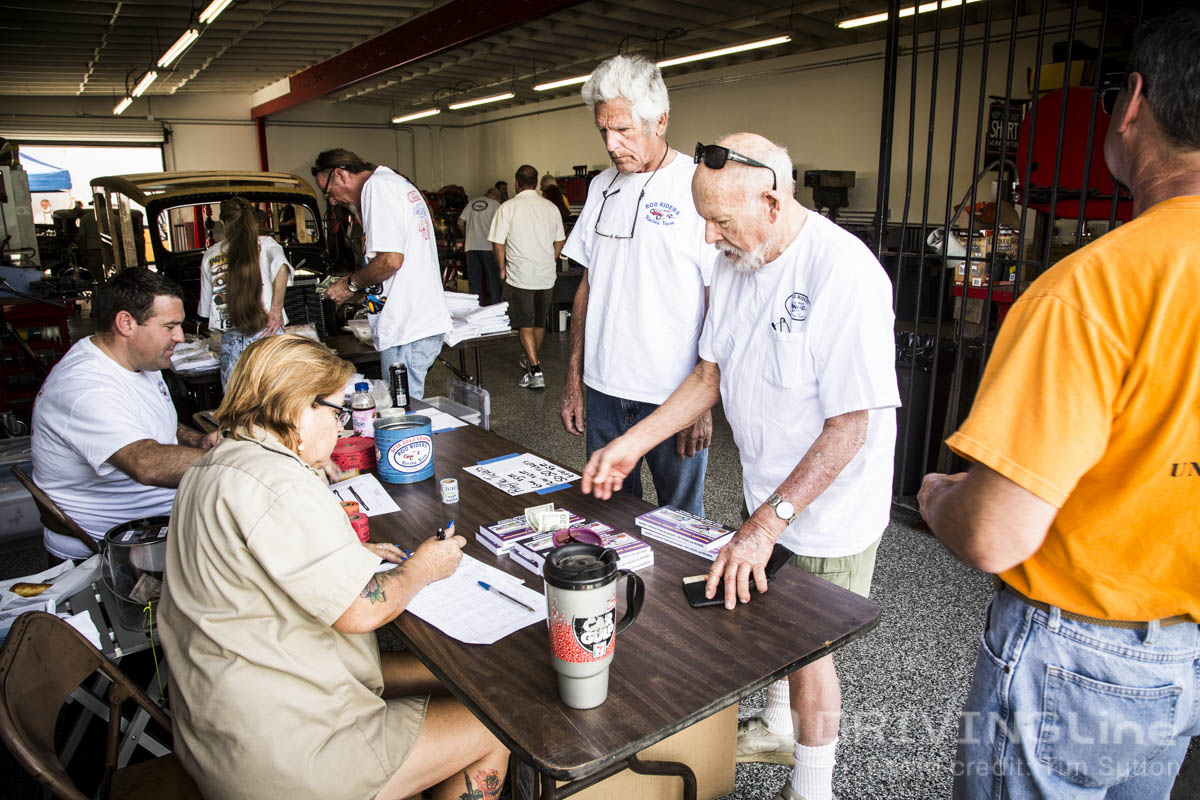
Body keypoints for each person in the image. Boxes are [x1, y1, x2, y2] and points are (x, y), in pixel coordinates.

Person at [919, 11, 1200, 798]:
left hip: (1077, 656)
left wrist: (938, 498)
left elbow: (994, 532)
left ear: (1133, 102)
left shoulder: (1095, 286)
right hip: (1183, 658)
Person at [582, 133, 899, 800]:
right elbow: (709, 376)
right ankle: (780, 727)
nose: (708, 236)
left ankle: (813, 788)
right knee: (773, 615)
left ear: (773, 202)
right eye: (703, 218)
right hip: (768, 483)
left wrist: (767, 523)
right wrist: (633, 443)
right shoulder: (737, 259)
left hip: (829, 500)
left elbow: (850, 427)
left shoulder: (844, 273)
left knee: (811, 647)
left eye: (720, 220)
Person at [159, 334, 508, 800]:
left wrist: (348, 551)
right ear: (298, 407)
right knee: (499, 725)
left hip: (224, 719)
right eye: (337, 412)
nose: (341, 429)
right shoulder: (279, 482)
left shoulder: (212, 465)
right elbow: (360, 611)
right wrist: (424, 567)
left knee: (462, 676)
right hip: (287, 754)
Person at [559, 54, 715, 517]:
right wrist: (574, 378)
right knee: (609, 517)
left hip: (673, 394)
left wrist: (701, 402)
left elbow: (719, 300)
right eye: (603, 131)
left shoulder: (697, 186)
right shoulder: (601, 187)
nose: (612, 144)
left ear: (660, 120)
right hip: (603, 392)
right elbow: (589, 285)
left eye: (623, 130)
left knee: (680, 523)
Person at [30, 268, 220, 559]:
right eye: (169, 327)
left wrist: (198, 441)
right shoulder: (84, 387)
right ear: (126, 323)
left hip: (162, 516)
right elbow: (145, 463)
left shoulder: (141, 361)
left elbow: (152, 424)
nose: (180, 337)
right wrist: (244, 460)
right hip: (112, 547)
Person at [315, 149, 452, 400]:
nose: (332, 201)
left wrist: (349, 285)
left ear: (340, 175)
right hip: (408, 324)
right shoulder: (388, 183)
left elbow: (390, 261)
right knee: (403, 405)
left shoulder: (377, 188)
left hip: (407, 327)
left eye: (329, 193)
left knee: (402, 412)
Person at [198, 197, 293, 387]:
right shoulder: (266, 244)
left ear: (223, 223)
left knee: (237, 400)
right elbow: (282, 267)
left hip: (232, 337)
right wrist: (275, 311)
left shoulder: (211, 254)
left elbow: (205, 311)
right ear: (252, 220)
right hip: (268, 332)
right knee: (276, 397)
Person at [488, 164, 566, 390]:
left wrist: (501, 268)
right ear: (537, 183)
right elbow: (560, 240)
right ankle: (532, 360)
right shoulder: (551, 207)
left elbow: (498, 243)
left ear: (516, 183)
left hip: (520, 276)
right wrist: (551, 259)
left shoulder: (508, 207)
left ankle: (535, 370)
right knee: (539, 322)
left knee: (525, 323)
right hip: (546, 275)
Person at [457, 186, 502, 304]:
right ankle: (495, 308)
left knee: (474, 282)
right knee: (493, 281)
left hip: (471, 247)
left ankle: (476, 309)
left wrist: (467, 235)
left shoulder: (471, 203)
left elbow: (460, 222)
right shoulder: (495, 204)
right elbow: (501, 225)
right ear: (497, 196)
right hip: (488, 247)